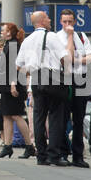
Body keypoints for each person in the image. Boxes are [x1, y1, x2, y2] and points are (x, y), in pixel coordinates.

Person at [16, 10, 66, 165]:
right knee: (56, 117)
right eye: (47, 17)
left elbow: (18, 66)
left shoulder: (27, 40)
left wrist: (32, 70)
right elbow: (64, 58)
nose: (50, 19)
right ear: (42, 21)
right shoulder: (52, 36)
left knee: (38, 118)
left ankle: (41, 156)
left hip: (36, 79)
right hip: (53, 77)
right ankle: (54, 155)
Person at [55, 10, 91, 167]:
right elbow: (67, 58)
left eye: (70, 21)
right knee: (63, 119)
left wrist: (76, 60)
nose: (68, 25)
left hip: (81, 80)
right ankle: (64, 152)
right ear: (60, 22)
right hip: (65, 80)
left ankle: (78, 156)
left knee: (79, 119)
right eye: (65, 21)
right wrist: (70, 38)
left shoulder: (82, 36)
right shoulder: (57, 38)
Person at [0, 22, 35, 159]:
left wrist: (13, 84)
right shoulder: (9, 45)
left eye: (3, 30)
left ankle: (29, 146)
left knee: (16, 115)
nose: (1, 33)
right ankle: (7, 146)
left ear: (9, 32)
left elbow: (15, 66)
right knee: (7, 115)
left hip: (12, 85)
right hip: (6, 85)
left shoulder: (14, 46)